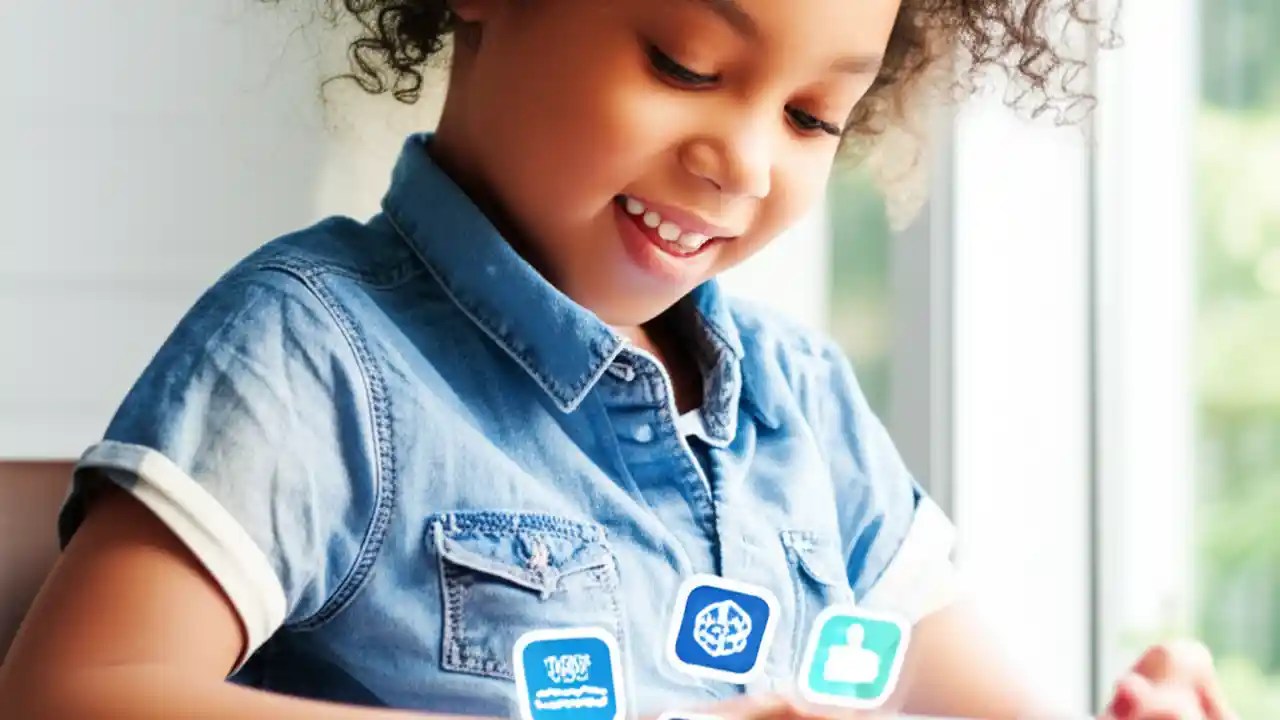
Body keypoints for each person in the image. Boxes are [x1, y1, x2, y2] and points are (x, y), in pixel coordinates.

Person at [0, 1, 1237, 718]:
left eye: (812, 118)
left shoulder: (802, 409)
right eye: (686, 67)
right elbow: (76, 693)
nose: (745, 164)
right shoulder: (316, 351)